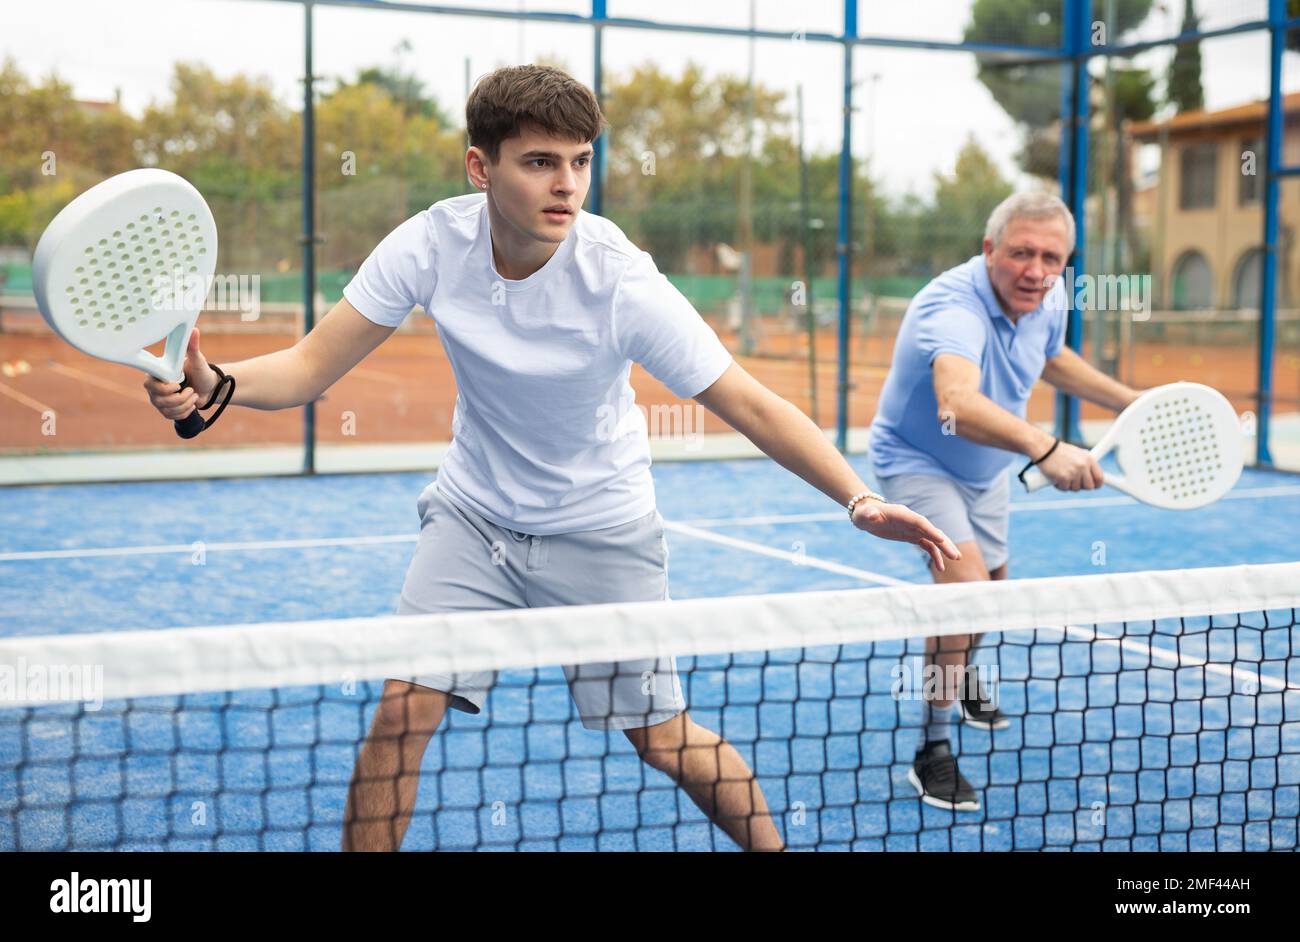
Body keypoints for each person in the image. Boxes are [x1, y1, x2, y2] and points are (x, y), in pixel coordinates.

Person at [144, 64, 959, 851]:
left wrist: (857, 499)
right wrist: (215, 385)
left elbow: (746, 400)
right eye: (539, 162)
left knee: (661, 738)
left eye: (579, 162)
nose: (566, 183)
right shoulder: (429, 245)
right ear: (480, 167)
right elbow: (310, 366)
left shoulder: (620, 283)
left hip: (602, 528)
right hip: (474, 520)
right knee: (400, 712)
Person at [867, 191, 1142, 812]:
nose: (1036, 270)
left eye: (1051, 257)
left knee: (992, 593)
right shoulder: (952, 305)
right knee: (962, 594)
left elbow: (1052, 359)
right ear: (989, 249)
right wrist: (1047, 448)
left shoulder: (1047, 294)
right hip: (918, 458)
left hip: (989, 466)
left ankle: (960, 678)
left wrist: (1129, 400)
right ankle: (932, 749)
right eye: (1021, 253)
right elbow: (956, 404)